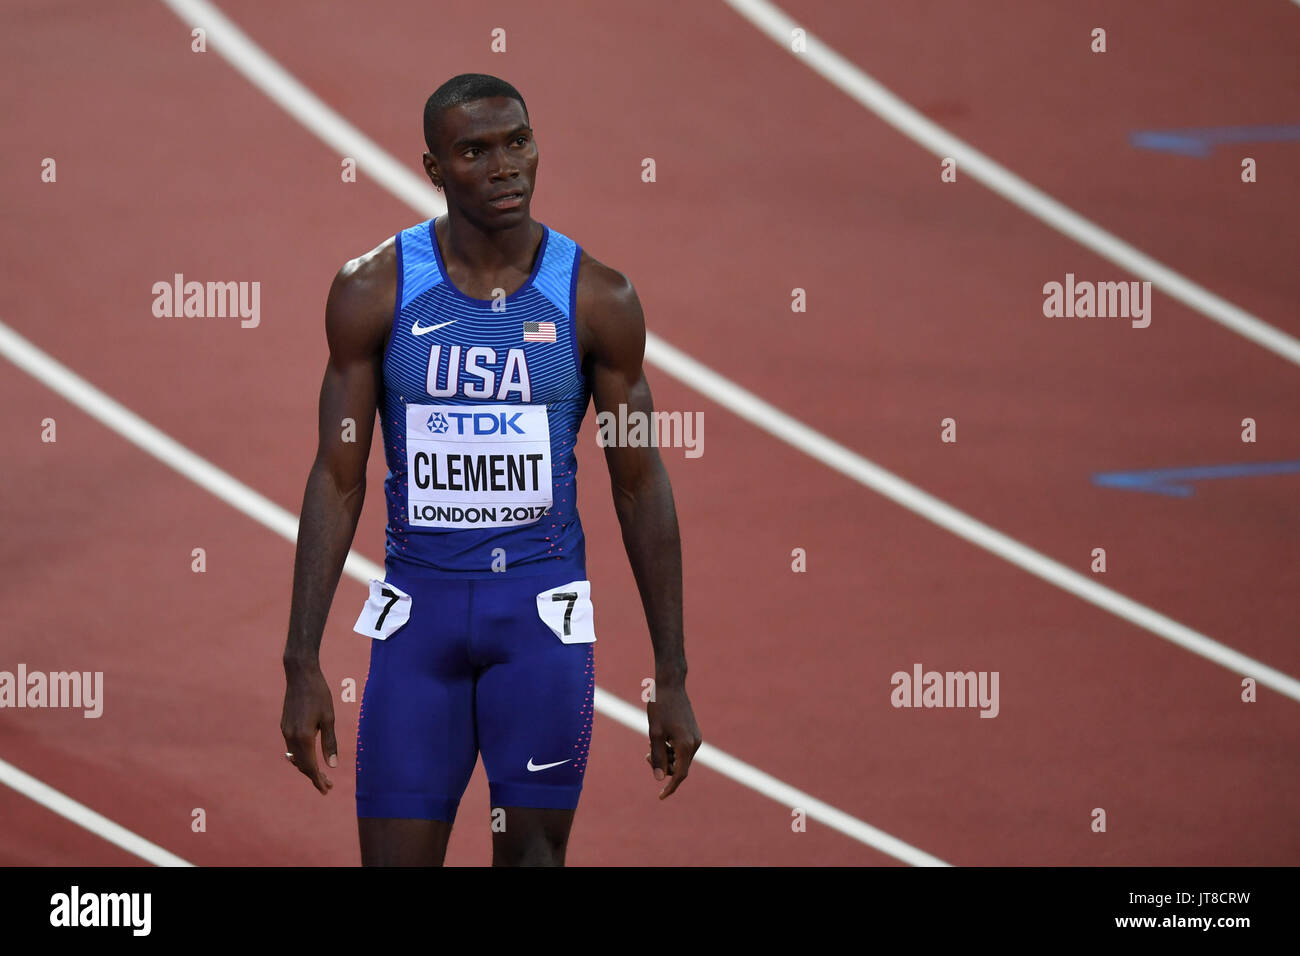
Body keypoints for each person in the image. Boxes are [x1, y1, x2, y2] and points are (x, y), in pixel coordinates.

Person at [279, 73, 701, 866]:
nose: (506, 166)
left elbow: (640, 484)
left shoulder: (597, 299)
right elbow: (338, 474)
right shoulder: (374, 290)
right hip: (418, 625)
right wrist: (302, 661)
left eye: (519, 142)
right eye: (475, 151)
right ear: (435, 169)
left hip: (539, 625)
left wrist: (670, 674)